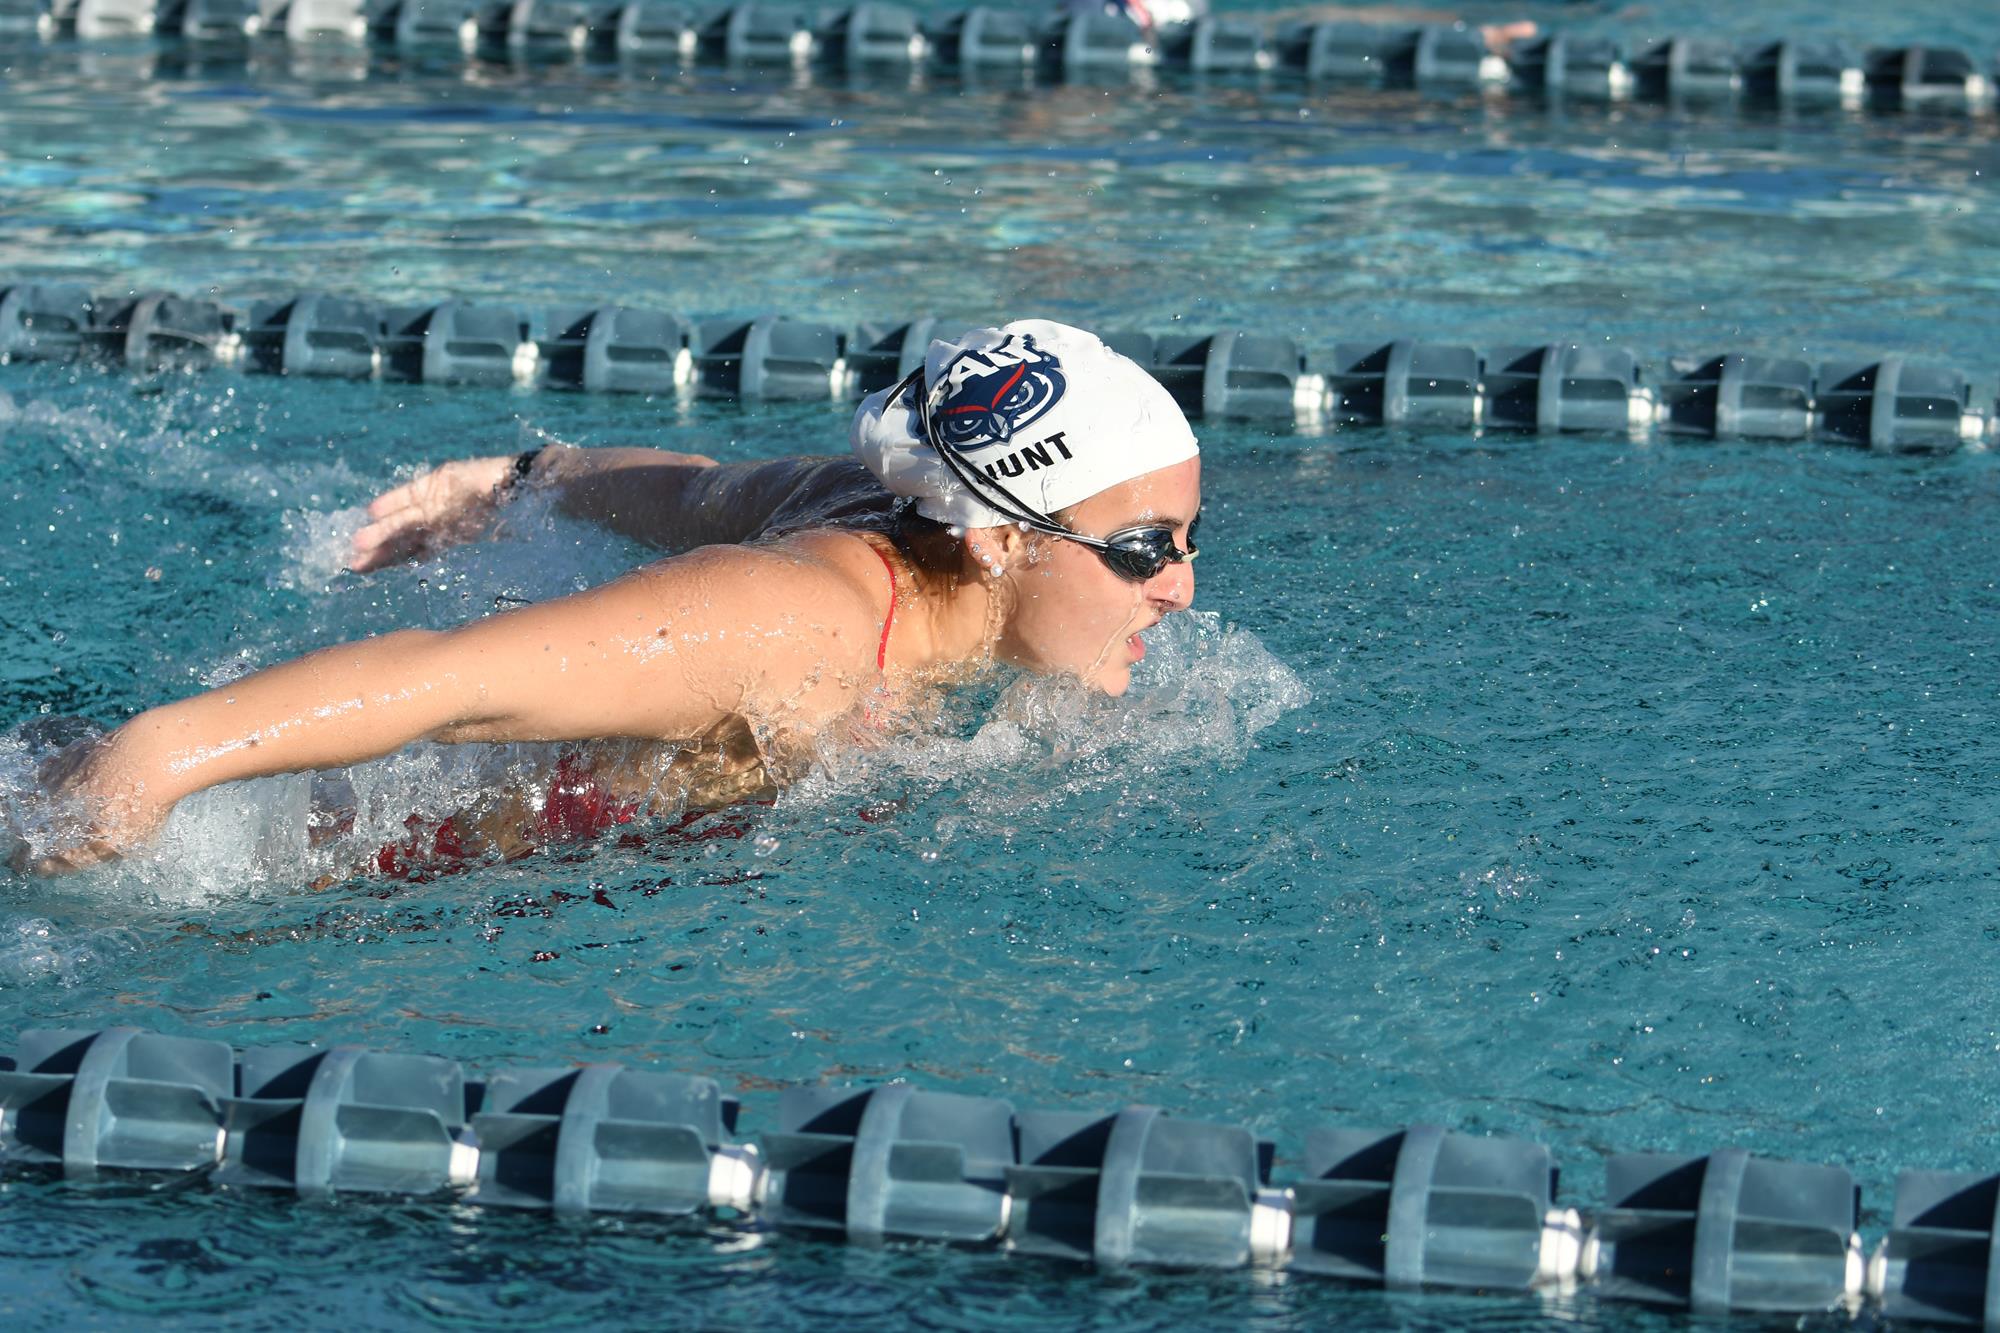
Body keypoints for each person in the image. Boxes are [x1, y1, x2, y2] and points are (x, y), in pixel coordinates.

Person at [21, 320, 1202, 877]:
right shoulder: (786, 624)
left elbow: (697, 490)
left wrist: (523, 479)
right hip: (292, 854)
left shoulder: (874, 502)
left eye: (1190, 542)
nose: (1180, 591)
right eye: (1145, 550)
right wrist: (161, 758)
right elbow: (451, 684)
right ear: (997, 539)